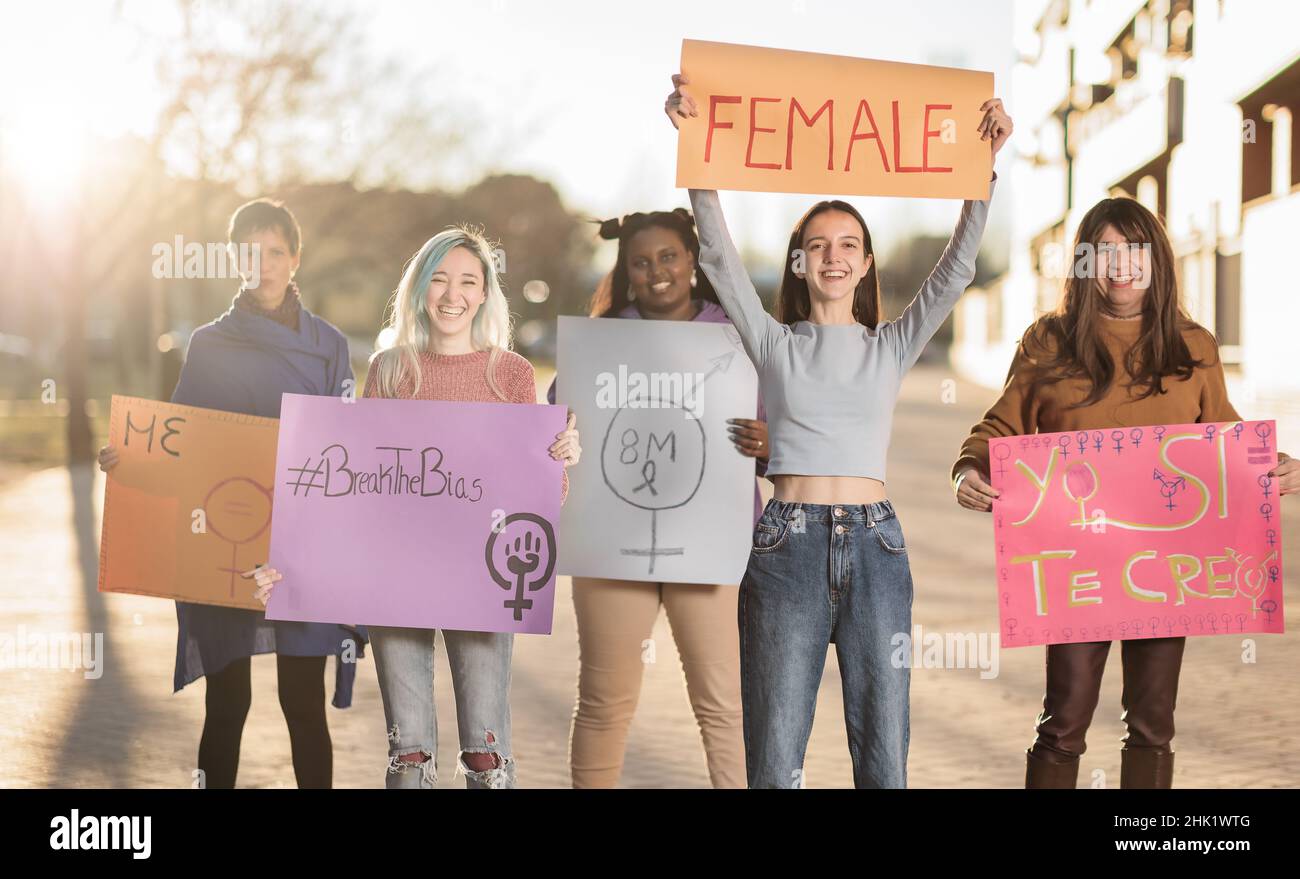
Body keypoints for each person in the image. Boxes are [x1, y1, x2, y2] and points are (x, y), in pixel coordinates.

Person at [665, 72, 1012, 787]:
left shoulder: (891, 343)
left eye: (848, 243)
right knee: (774, 753)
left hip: (878, 548)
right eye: (817, 244)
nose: (832, 255)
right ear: (800, 260)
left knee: (884, 753)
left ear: (864, 262)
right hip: (784, 545)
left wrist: (983, 173)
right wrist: (696, 155)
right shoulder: (774, 340)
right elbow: (721, 262)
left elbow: (953, 274)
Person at [951, 196, 1297, 788]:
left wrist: (1277, 465)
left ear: (1157, 259)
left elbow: (1226, 441)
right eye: (1105, 250)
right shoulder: (1048, 344)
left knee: (1153, 724)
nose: (1121, 264)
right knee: (1063, 722)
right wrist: (970, 468)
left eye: (1134, 249)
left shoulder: (1194, 347)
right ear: (1084, 262)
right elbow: (998, 427)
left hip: (1165, 568)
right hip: (1075, 567)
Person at [249, 225, 581, 789]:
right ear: (420, 288)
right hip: (396, 581)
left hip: (482, 581)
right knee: (409, 755)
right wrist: (296, 565)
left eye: (468, 281)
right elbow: (356, 492)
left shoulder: (512, 375)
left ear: (484, 293)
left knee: (486, 751)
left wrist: (558, 463)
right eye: (440, 279)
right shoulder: (389, 370)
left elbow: (535, 505)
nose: (453, 295)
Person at [98, 198, 360, 789]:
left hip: (300, 549)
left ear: (295, 258)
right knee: (227, 704)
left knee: (303, 705)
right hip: (226, 542)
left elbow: (347, 450)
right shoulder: (210, 344)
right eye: (249, 253)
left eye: (274, 252)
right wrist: (129, 460)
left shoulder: (329, 346)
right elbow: (184, 439)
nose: (262, 265)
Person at [547, 208, 769, 788]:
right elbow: (553, 427)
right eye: (641, 263)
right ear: (627, 271)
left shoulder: (738, 337)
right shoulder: (599, 342)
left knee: (723, 707)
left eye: (668, 257)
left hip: (711, 547)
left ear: (693, 260)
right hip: (610, 547)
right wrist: (559, 441)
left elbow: (781, 434)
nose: (656, 272)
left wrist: (770, 443)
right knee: (603, 701)